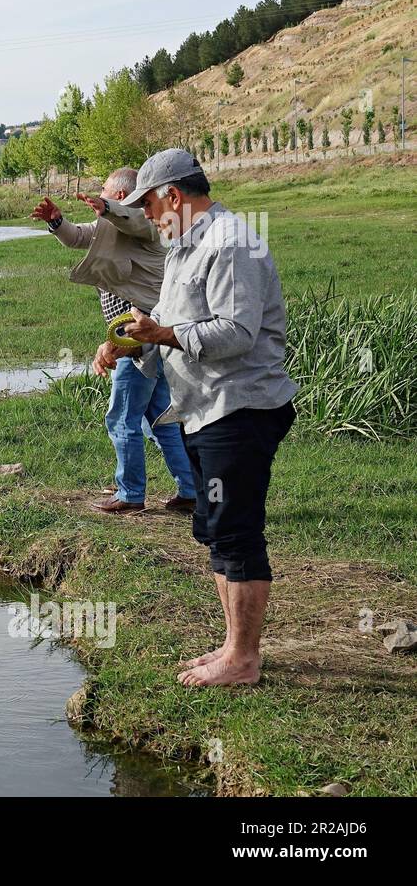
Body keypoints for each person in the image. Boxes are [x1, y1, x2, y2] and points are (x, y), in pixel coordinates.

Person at [94, 148, 298, 688]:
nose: (147, 217)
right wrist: (127, 342)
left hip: (241, 408)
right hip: (203, 409)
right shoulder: (185, 246)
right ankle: (233, 644)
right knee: (214, 530)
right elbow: (167, 317)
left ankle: (244, 660)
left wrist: (162, 335)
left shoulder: (233, 244)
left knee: (236, 532)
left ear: (174, 196)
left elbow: (236, 332)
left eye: (150, 206)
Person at [32, 168, 195, 515]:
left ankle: (130, 494)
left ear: (120, 196)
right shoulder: (110, 225)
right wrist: (57, 222)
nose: (99, 194)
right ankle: (192, 489)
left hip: (137, 333)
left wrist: (106, 209)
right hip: (147, 332)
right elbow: (79, 237)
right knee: (160, 418)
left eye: (104, 190)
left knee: (121, 417)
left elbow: (134, 221)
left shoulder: (146, 224)